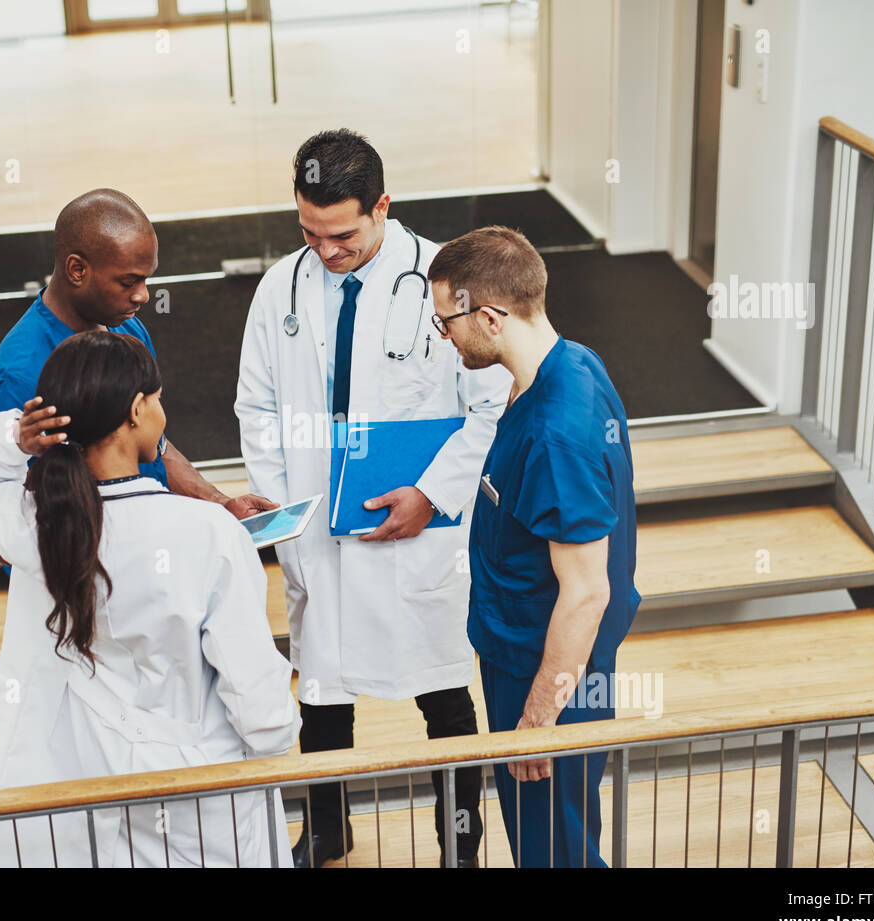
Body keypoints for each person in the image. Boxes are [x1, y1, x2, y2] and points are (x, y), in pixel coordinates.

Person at [235, 130, 512, 867]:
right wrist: (278, 505)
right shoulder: (280, 288)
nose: (325, 251)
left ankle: (461, 844)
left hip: (420, 536)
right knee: (321, 693)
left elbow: (491, 406)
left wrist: (431, 494)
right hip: (317, 534)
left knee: (446, 694)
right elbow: (256, 406)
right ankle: (327, 827)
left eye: (343, 234)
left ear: (383, 205)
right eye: (309, 232)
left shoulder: (444, 282)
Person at [0, 330, 301, 867]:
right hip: (197, 798)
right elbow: (258, 701)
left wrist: (16, 440)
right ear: (136, 411)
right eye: (157, 399)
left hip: (82, 793)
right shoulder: (207, 533)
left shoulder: (32, 528)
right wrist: (275, 740)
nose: (162, 411)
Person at [426, 226, 641, 868]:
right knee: (559, 842)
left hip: (546, 678)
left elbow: (586, 591)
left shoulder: (554, 431)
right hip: (526, 656)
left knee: (555, 854)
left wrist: (537, 723)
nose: (445, 338)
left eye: (447, 323)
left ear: (489, 317)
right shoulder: (569, 362)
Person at [0, 187, 275, 519]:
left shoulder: (126, 329)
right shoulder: (15, 380)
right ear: (76, 270)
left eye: (146, 279)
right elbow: (3, 514)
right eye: (129, 282)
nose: (142, 295)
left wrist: (219, 503)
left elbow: (149, 442)